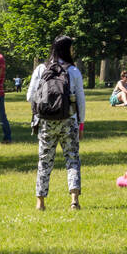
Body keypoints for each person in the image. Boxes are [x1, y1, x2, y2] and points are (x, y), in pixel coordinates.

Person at [28, 34, 85, 211]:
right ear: (67, 49)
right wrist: (81, 122)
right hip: (68, 120)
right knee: (72, 159)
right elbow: (81, 100)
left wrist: (40, 110)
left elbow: (30, 96)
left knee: (44, 161)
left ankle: (40, 202)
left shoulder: (40, 69)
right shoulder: (73, 71)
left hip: (45, 122)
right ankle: (74, 200)